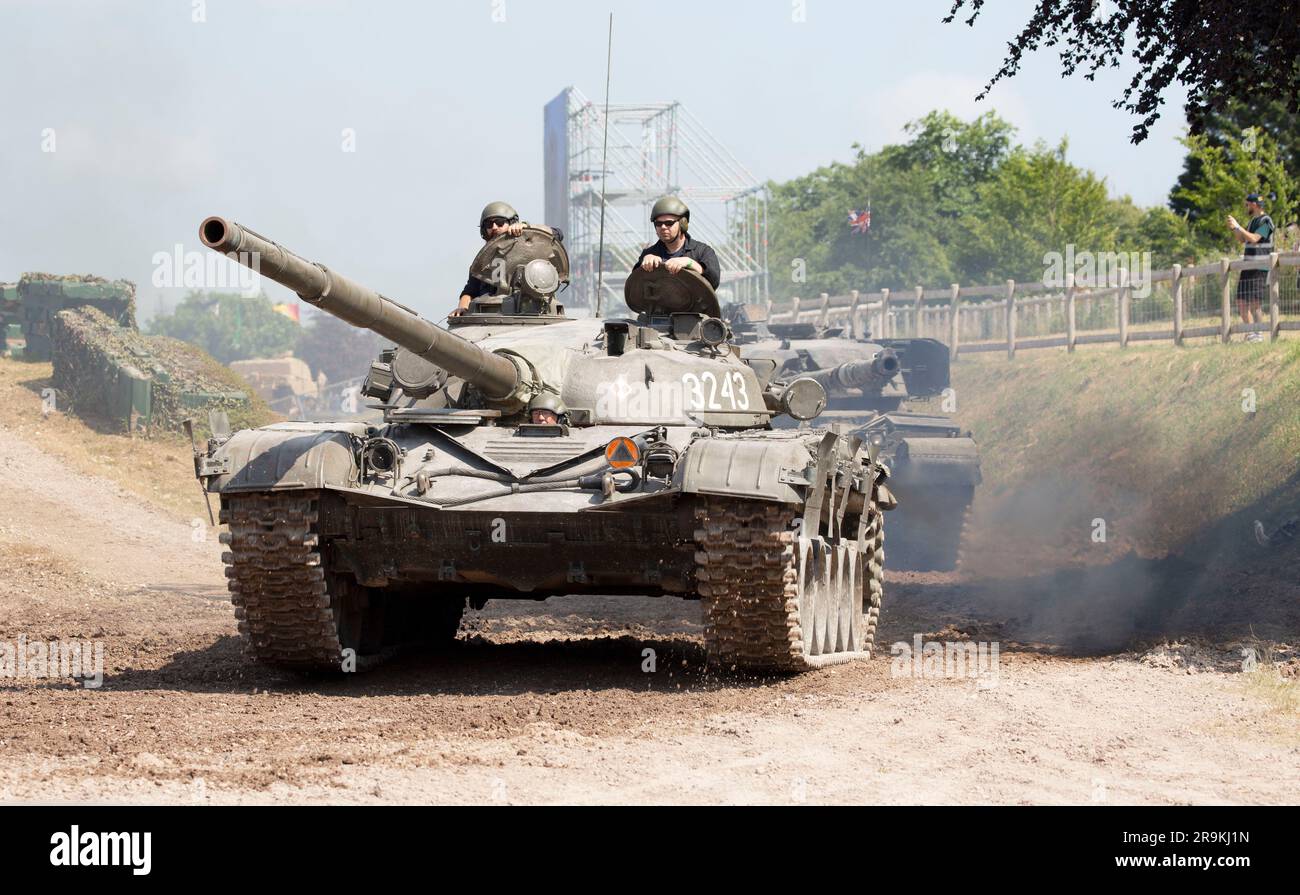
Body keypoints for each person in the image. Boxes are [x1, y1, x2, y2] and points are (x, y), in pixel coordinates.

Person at [452, 202, 525, 316]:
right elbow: (470, 291)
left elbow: (557, 234)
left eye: (500, 222)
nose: (494, 227)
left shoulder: (527, 248)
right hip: (488, 315)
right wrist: (462, 308)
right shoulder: (482, 260)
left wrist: (526, 227)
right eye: (489, 224)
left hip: (523, 313)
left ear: (512, 223)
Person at [633, 196, 721, 290]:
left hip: (695, 304)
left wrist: (690, 263)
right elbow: (635, 288)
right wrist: (644, 265)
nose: (663, 227)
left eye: (669, 223)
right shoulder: (649, 253)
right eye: (658, 223)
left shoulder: (702, 251)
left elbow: (714, 281)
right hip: (660, 304)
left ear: (683, 224)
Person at [1227, 193, 1275, 342]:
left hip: (1260, 267)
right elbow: (1242, 239)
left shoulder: (1266, 221)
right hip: (1247, 265)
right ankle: (1250, 333)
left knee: (1255, 303)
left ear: (1253, 204)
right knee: (1241, 302)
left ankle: (1258, 334)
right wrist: (1234, 229)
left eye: (1246, 204)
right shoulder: (1253, 221)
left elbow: (1254, 239)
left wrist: (1238, 226)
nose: (1246, 207)